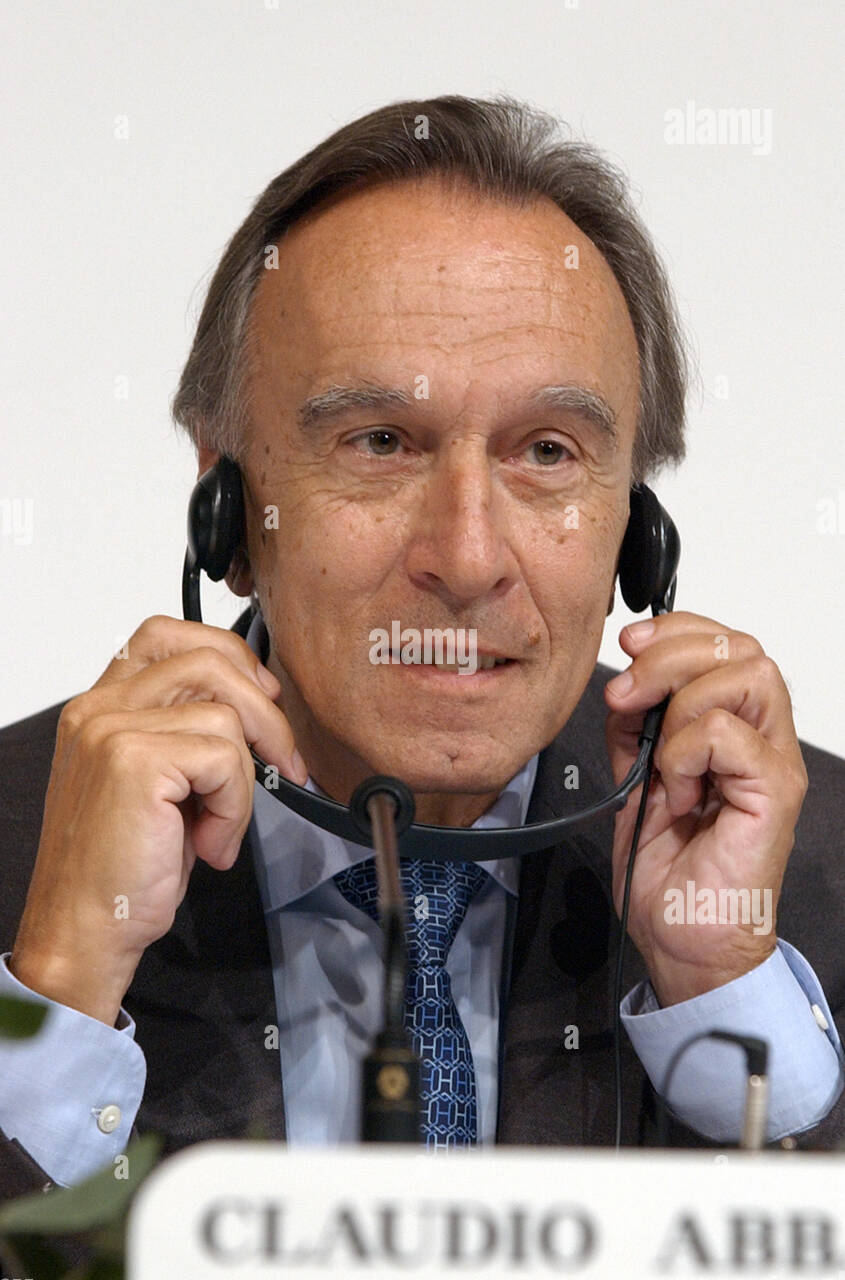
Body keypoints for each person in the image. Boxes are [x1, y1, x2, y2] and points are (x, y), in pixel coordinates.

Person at [1, 95, 843, 1200]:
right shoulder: (25, 851)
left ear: (635, 538)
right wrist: (55, 998)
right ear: (228, 513)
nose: (467, 555)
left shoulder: (814, 863)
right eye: (380, 442)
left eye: (546, 451)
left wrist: (723, 995)